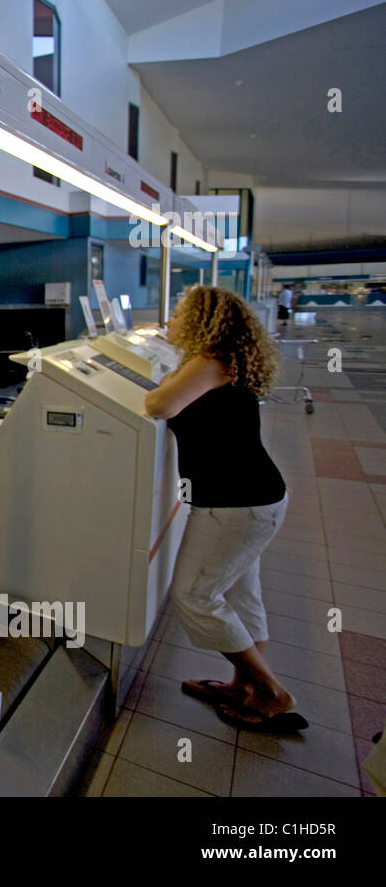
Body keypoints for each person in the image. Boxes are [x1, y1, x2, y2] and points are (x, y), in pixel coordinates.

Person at [144, 285, 306, 733]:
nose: (171, 320)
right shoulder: (224, 361)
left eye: (179, 313)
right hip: (255, 499)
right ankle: (241, 686)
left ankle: (270, 692)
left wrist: (162, 382)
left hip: (235, 506)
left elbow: (159, 403)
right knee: (240, 593)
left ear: (202, 321)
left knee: (194, 594)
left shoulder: (211, 361)